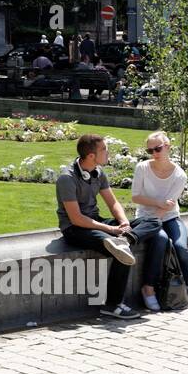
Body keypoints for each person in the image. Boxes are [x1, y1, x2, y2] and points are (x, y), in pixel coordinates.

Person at [56, 134, 142, 319]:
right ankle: (113, 305)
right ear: (91, 156)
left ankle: (124, 239)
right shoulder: (67, 178)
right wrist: (111, 230)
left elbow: (113, 203)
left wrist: (124, 222)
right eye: (103, 149)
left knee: (152, 222)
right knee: (120, 250)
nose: (108, 151)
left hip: (96, 222)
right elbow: (76, 218)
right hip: (75, 229)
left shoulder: (98, 172)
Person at [129, 131, 188, 311]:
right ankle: (148, 288)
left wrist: (159, 213)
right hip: (145, 217)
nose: (155, 153)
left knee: (180, 246)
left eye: (158, 148)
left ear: (168, 147)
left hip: (170, 216)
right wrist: (155, 206)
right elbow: (136, 197)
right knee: (160, 239)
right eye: (150, 150)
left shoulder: (179, 175)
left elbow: (169, 205)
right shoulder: (142, 168)